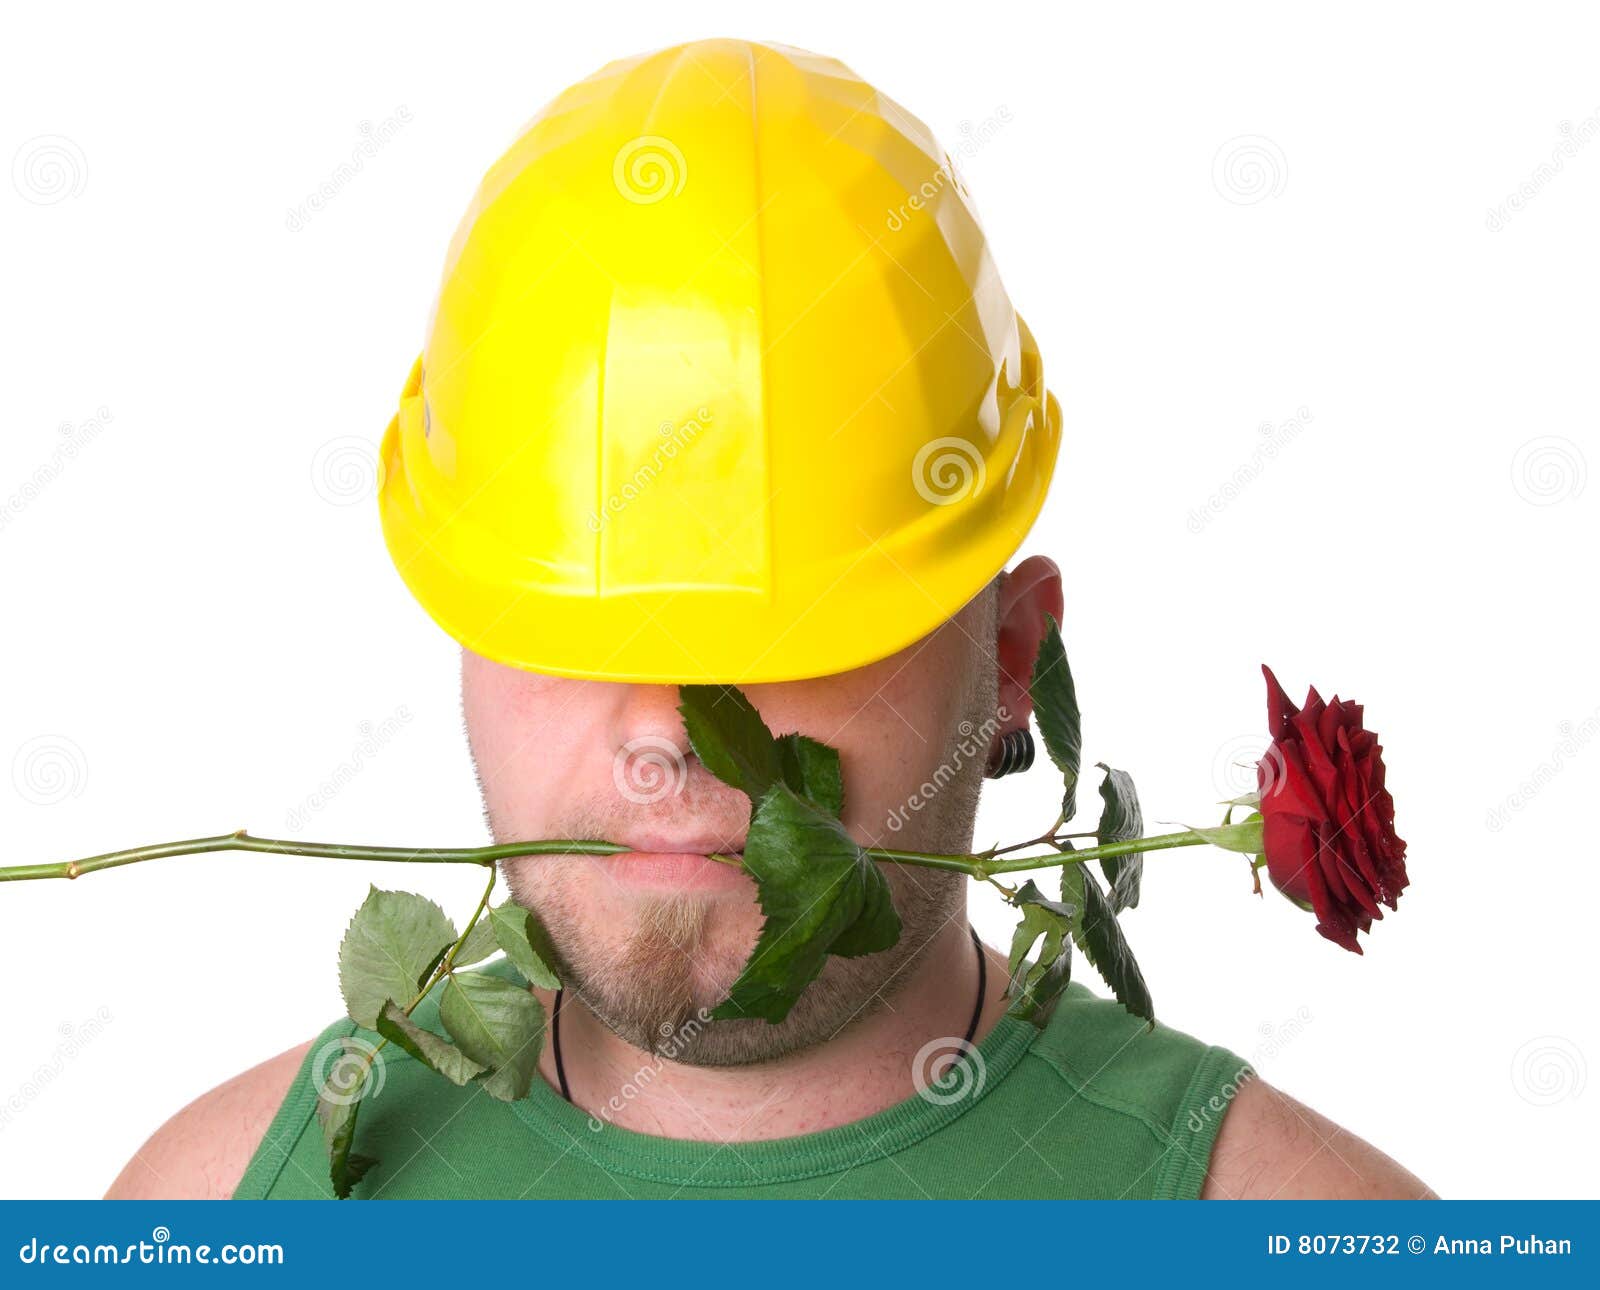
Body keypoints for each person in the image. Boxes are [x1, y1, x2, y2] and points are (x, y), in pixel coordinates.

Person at [107, 39, 1430, 1201]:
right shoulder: (214, 1213)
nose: (663, 737)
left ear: (1012, 653)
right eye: (579, 626)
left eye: (785, 632)